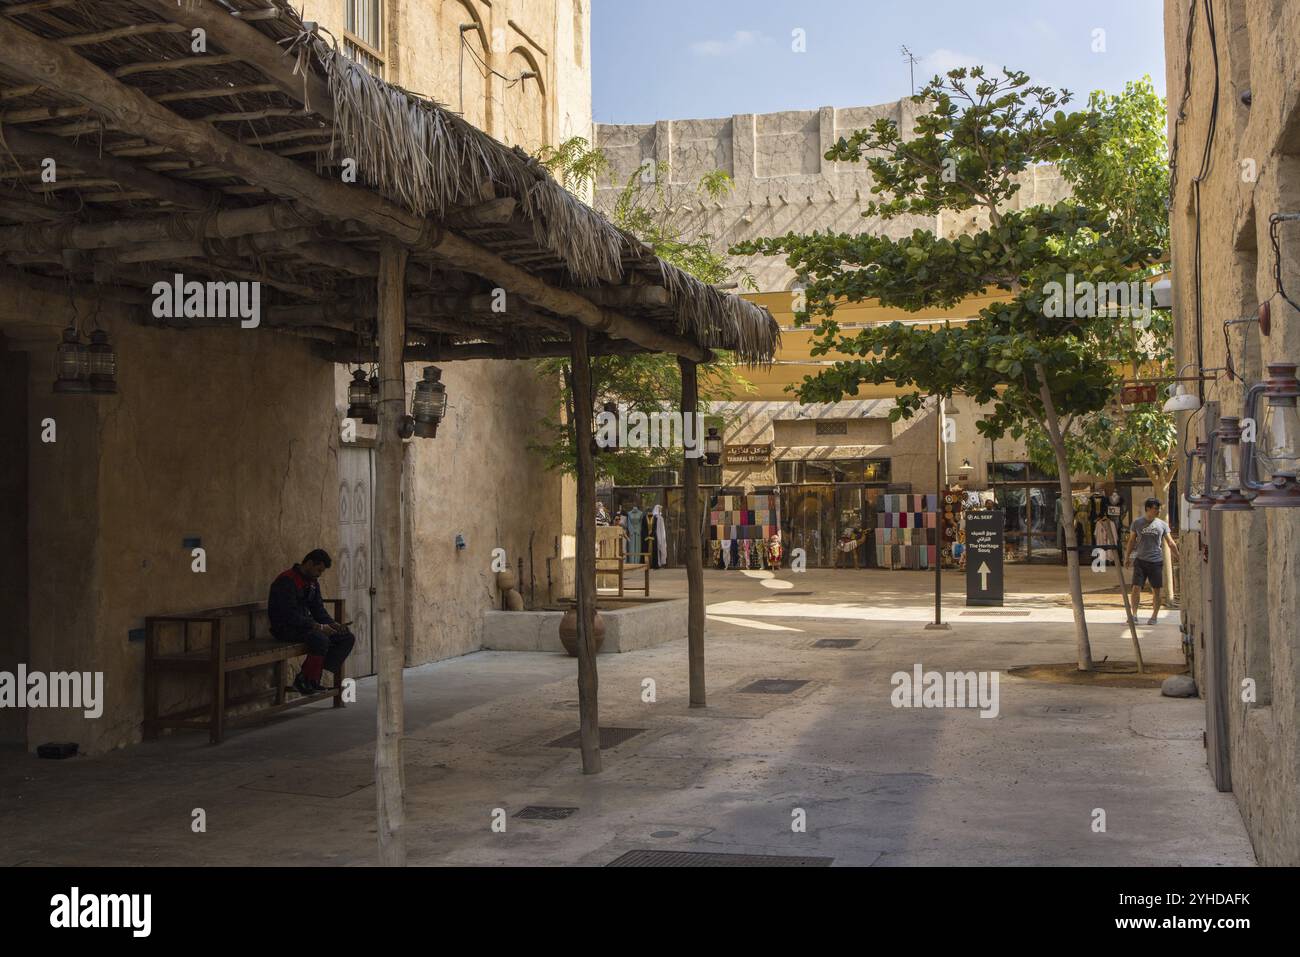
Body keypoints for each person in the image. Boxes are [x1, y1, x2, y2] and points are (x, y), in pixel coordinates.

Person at [268, 549, 355, 694]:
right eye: (318, 570)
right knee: (320, 639)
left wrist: (333, 624)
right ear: (309, 563)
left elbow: (318, 610)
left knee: (346, 637)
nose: (319, 574)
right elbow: (289, 614)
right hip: (285, 628)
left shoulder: (313, 583)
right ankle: (305, 680)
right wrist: (318, 626)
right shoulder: (286, 580)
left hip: (305, 626)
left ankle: (313, 677)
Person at [1124, 498, 1180, 625]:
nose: (1158, 510)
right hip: (1140, 561)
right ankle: (1134, 615)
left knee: (1156, 590)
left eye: (1159, 508)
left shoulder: (1162, 524)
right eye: (1156, 508)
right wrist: (1127, 557)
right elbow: (1132, 541)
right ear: (1148, 509)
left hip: (1156, 562)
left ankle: (1154, 616)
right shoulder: (1137, 523)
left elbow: (1170, 542)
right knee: (1135, 588)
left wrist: (1178, 556)